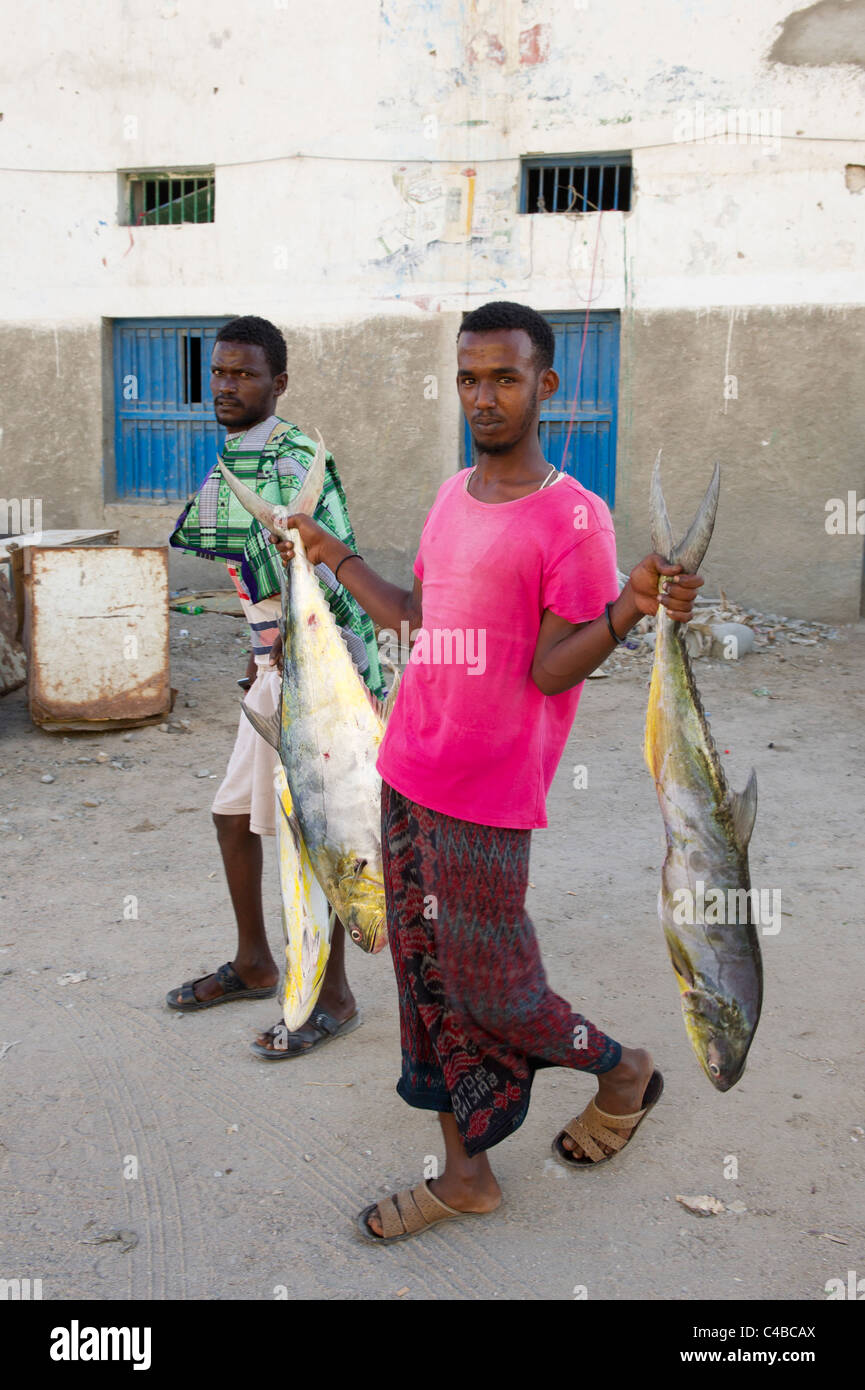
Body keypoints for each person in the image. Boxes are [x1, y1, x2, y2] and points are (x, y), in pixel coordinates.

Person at [272, 300, 704, 1241]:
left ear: (545, 386)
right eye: (469, 377)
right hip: (408, 770)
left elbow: (550, 668)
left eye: (505, 378)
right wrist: (330, 551)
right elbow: (418, 619)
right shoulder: (448, 496)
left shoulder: (575, 517)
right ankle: (465, 1175)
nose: (484, 396)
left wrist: (628, 609)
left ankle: (621, 1068)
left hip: (487, 795)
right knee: (425, 983)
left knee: (497, 987)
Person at [166, 315, 385, 1058]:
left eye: (243, 374)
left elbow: (321, 568)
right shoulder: (236, 452)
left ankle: (335, 997)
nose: (225, 386)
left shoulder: (296, 456)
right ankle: (256, 963)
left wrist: (342, 669)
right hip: (267, 668)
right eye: (219, 372)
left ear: (277, 382)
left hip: (309, 671)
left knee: (311, 832)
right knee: (232, 817)